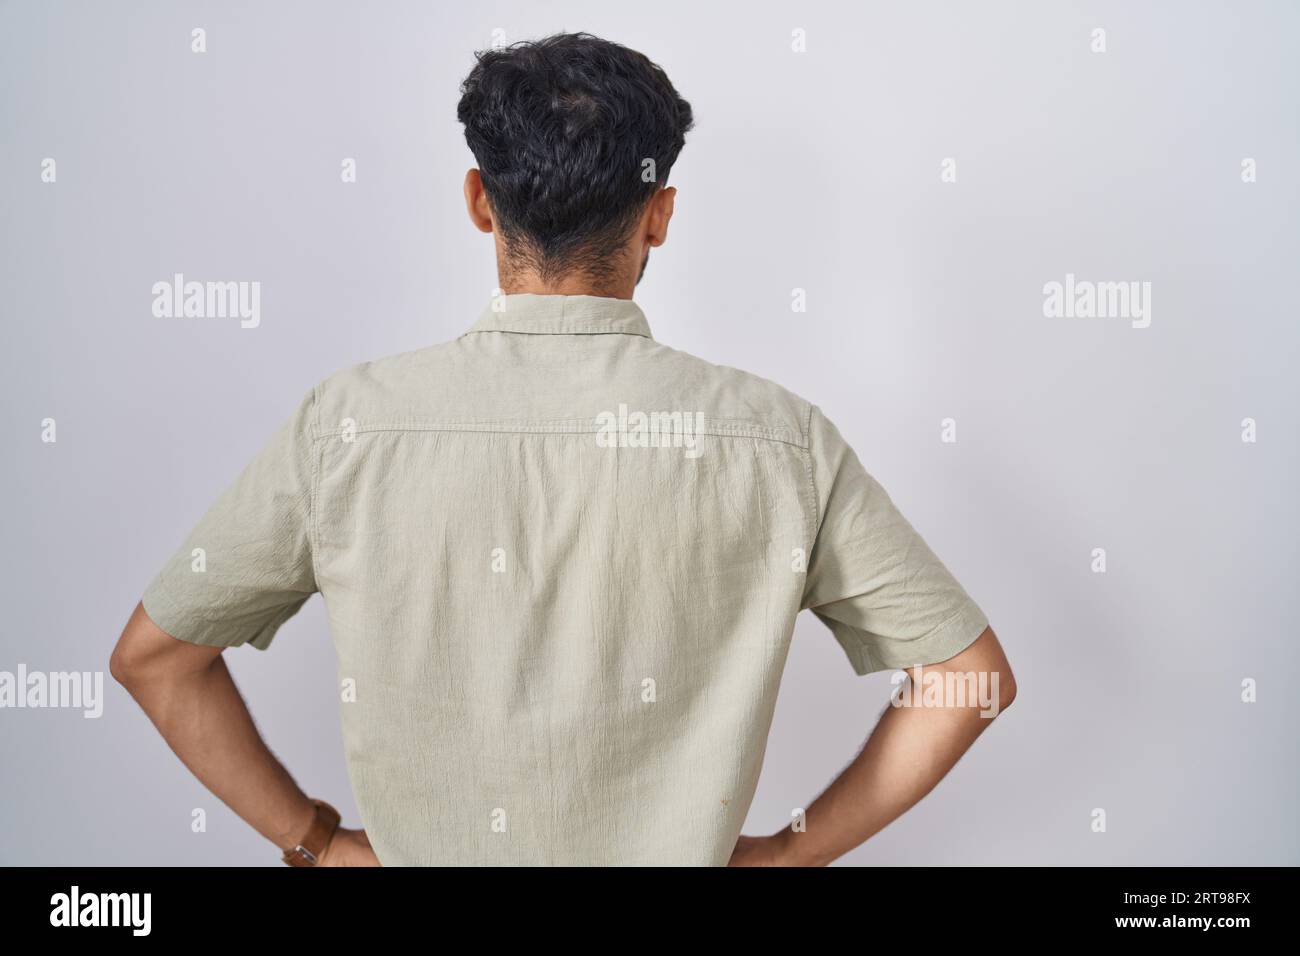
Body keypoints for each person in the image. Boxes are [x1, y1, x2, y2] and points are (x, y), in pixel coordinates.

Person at [111, 31, 1016, 867]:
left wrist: (312, 842)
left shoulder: (346, 427)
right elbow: (969, 679)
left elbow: (155, 658)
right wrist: (787, 855)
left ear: (478, 199)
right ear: (659, 214)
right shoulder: (779, 439)